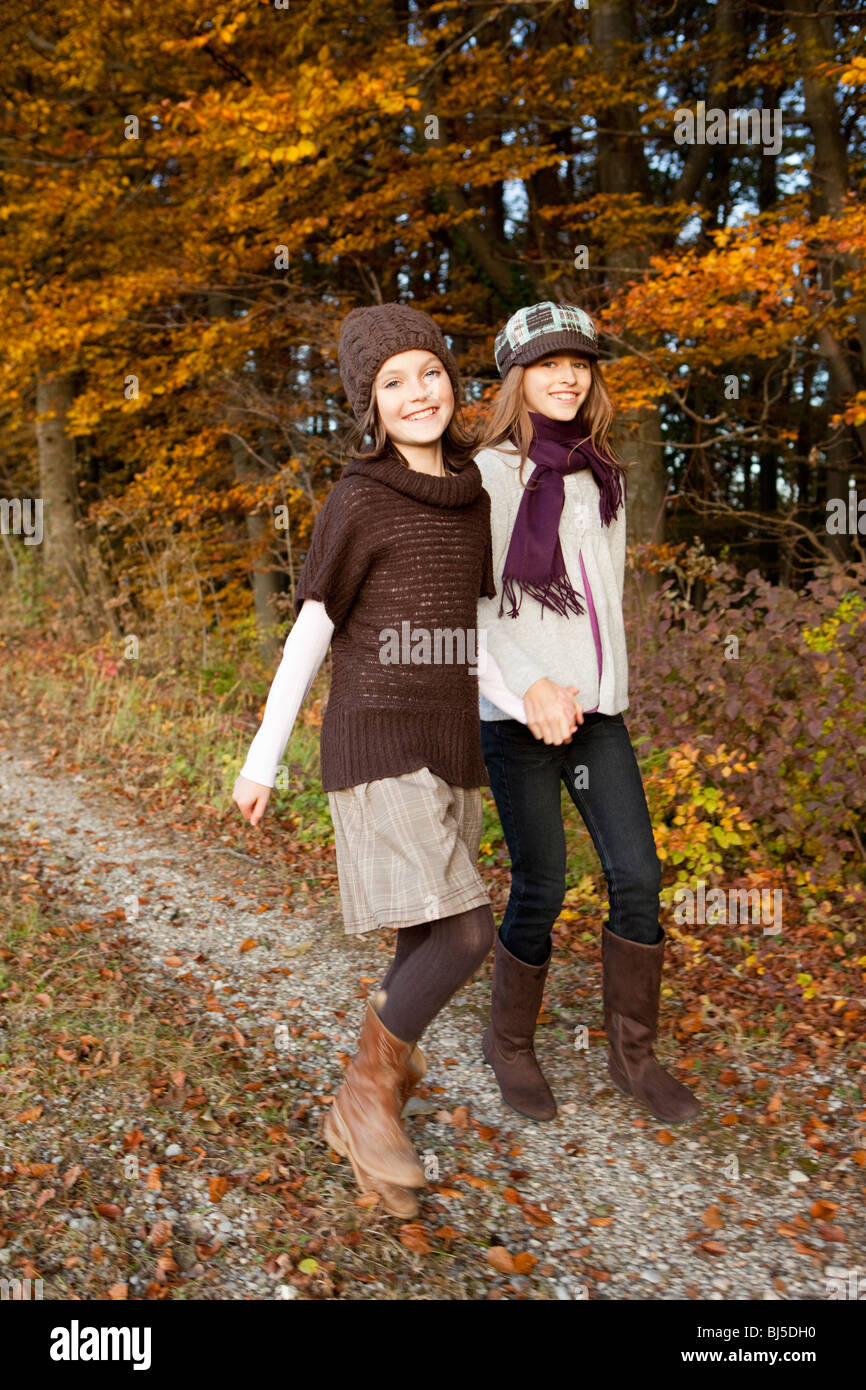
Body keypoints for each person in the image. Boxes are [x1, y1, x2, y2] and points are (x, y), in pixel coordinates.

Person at [232, 302, 577, 1216]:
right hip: (375, 738)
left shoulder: (470, 498)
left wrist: (527, 698)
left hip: (450, 745)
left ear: (451, 382)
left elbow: (475, 637)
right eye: (393, 383)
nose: (417, 392)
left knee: (425, 937)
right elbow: (310, 635)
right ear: (368, 406)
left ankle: (367, 1117)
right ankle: (366, 1095)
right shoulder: (358, 498)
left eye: (428, 372)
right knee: (466, 932)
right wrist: (263, 756)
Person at [474, 301, 701, 1125]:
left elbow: (601, 602)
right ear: (516, 378)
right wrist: (533, 687)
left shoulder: (603, 473)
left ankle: (633, 1055)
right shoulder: (488, 477)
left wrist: (596, 689)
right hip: (517, 713)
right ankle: (510, 1045)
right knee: (544, 884)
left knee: (638, 876)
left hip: (598, 714)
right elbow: (473, 612)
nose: (567, 375)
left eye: (579, 362)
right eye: (547, 363)